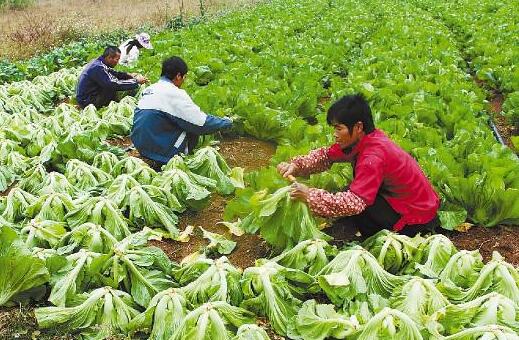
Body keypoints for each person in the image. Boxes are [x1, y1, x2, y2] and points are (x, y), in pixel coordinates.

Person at [278, 94, 440, 237]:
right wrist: (296, 165)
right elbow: (327, 156)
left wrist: (310, 196)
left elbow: (354, 202)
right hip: (410, 204)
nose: (334, 134)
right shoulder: (364, 139)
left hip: (416, 217)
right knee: (350, 193)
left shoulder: (373, 156)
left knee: (359, 207)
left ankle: (380, 235)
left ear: (358, 127)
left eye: (339, 128)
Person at [131, 56, 232, 170]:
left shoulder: (149, 89)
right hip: (161, 153)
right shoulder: (174, 93)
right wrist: (226, 122)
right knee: (191, 127)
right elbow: (200, 123)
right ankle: (175, 157)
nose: (184, 81)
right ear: (178, 76)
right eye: (184, 77)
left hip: (142, 146)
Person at [76, 46, 148, 109]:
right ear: (109, 58)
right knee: (111, 87)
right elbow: (114, 84)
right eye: (117, 59)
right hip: (87, 101)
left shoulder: (98, 63)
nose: (118, 62)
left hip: (86, 97)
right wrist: (136, 81)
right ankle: (113, 106)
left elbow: (114, 73)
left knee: (111, 83)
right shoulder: (98, 67)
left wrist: (129, 75)